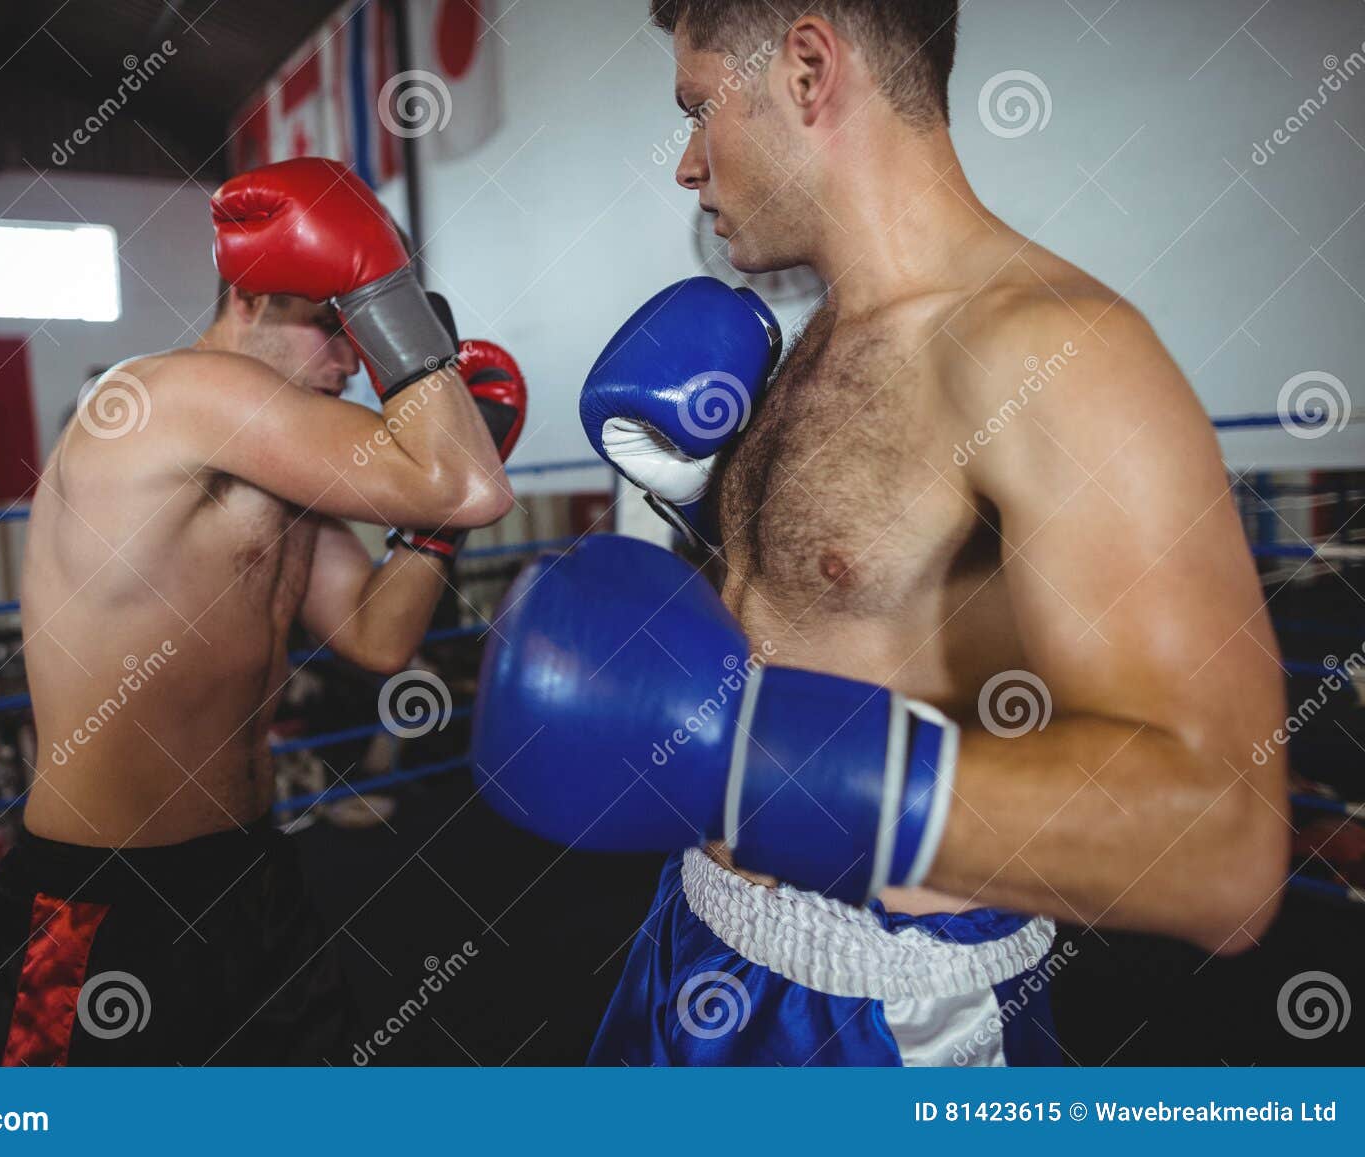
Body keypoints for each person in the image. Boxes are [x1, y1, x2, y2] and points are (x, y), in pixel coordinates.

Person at [476, 0, 1287, 1066]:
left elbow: (1224, 849)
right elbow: (834, 620)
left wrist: (748, 766)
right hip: (697, 932)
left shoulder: (1056, 351)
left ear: (808, 70)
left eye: (696, 109)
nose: (686, 164)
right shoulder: (815, 340)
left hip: (883, 1019)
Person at [0, 157, 524, 1065]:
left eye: (361, 332)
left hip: (252, 873)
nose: (354, 362)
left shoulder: (282, 469)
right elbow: (462, 479)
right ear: (251, 296)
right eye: (333, 325)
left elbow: (379, 635)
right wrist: (394, 308)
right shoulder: (167, 395)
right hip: (104, 897)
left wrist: (435, 525)